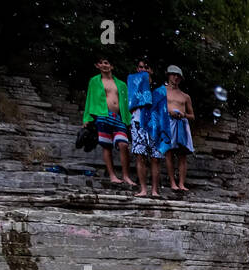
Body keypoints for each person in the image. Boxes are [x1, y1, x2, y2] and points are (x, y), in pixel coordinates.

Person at [82, 57, 134, 186]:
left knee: (123, 145)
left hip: (119, 117)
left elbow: (127, 102)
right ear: (97, 66)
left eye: (106, 63)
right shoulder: (94, 81)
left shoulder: (121, 84)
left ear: (111, 66)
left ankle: (126, 175)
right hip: (103, 115)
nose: (104, 65)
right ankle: (112, 175)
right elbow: (90, 99)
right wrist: (87, 118)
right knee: (107, 146)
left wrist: (129, 119)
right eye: (101, 63)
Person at [127, 59, 166, 197]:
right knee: (140, 155)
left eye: (146, 67)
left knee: (156, 158)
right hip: (138, 122)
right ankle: (143, 189)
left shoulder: (159, 88)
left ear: (151, 70)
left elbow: (163, 109)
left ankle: (155, 190)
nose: (143, 69)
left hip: (155, 124)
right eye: (140, 67)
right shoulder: (133, 84)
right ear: (137, 69)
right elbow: (131, 104)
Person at [161, 65, 195, 192]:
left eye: (178, 76)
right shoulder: (162, 92)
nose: (176, 77)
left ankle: (181, 183)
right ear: (168, 75)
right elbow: (156, 109)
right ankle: (172, 182)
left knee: (182, 154)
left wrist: (183, 114)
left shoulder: (185, 96)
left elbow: (192, 116)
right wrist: (168, 112)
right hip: (168, 123)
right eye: (173, 75)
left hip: (181, 123)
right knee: (168, 153)